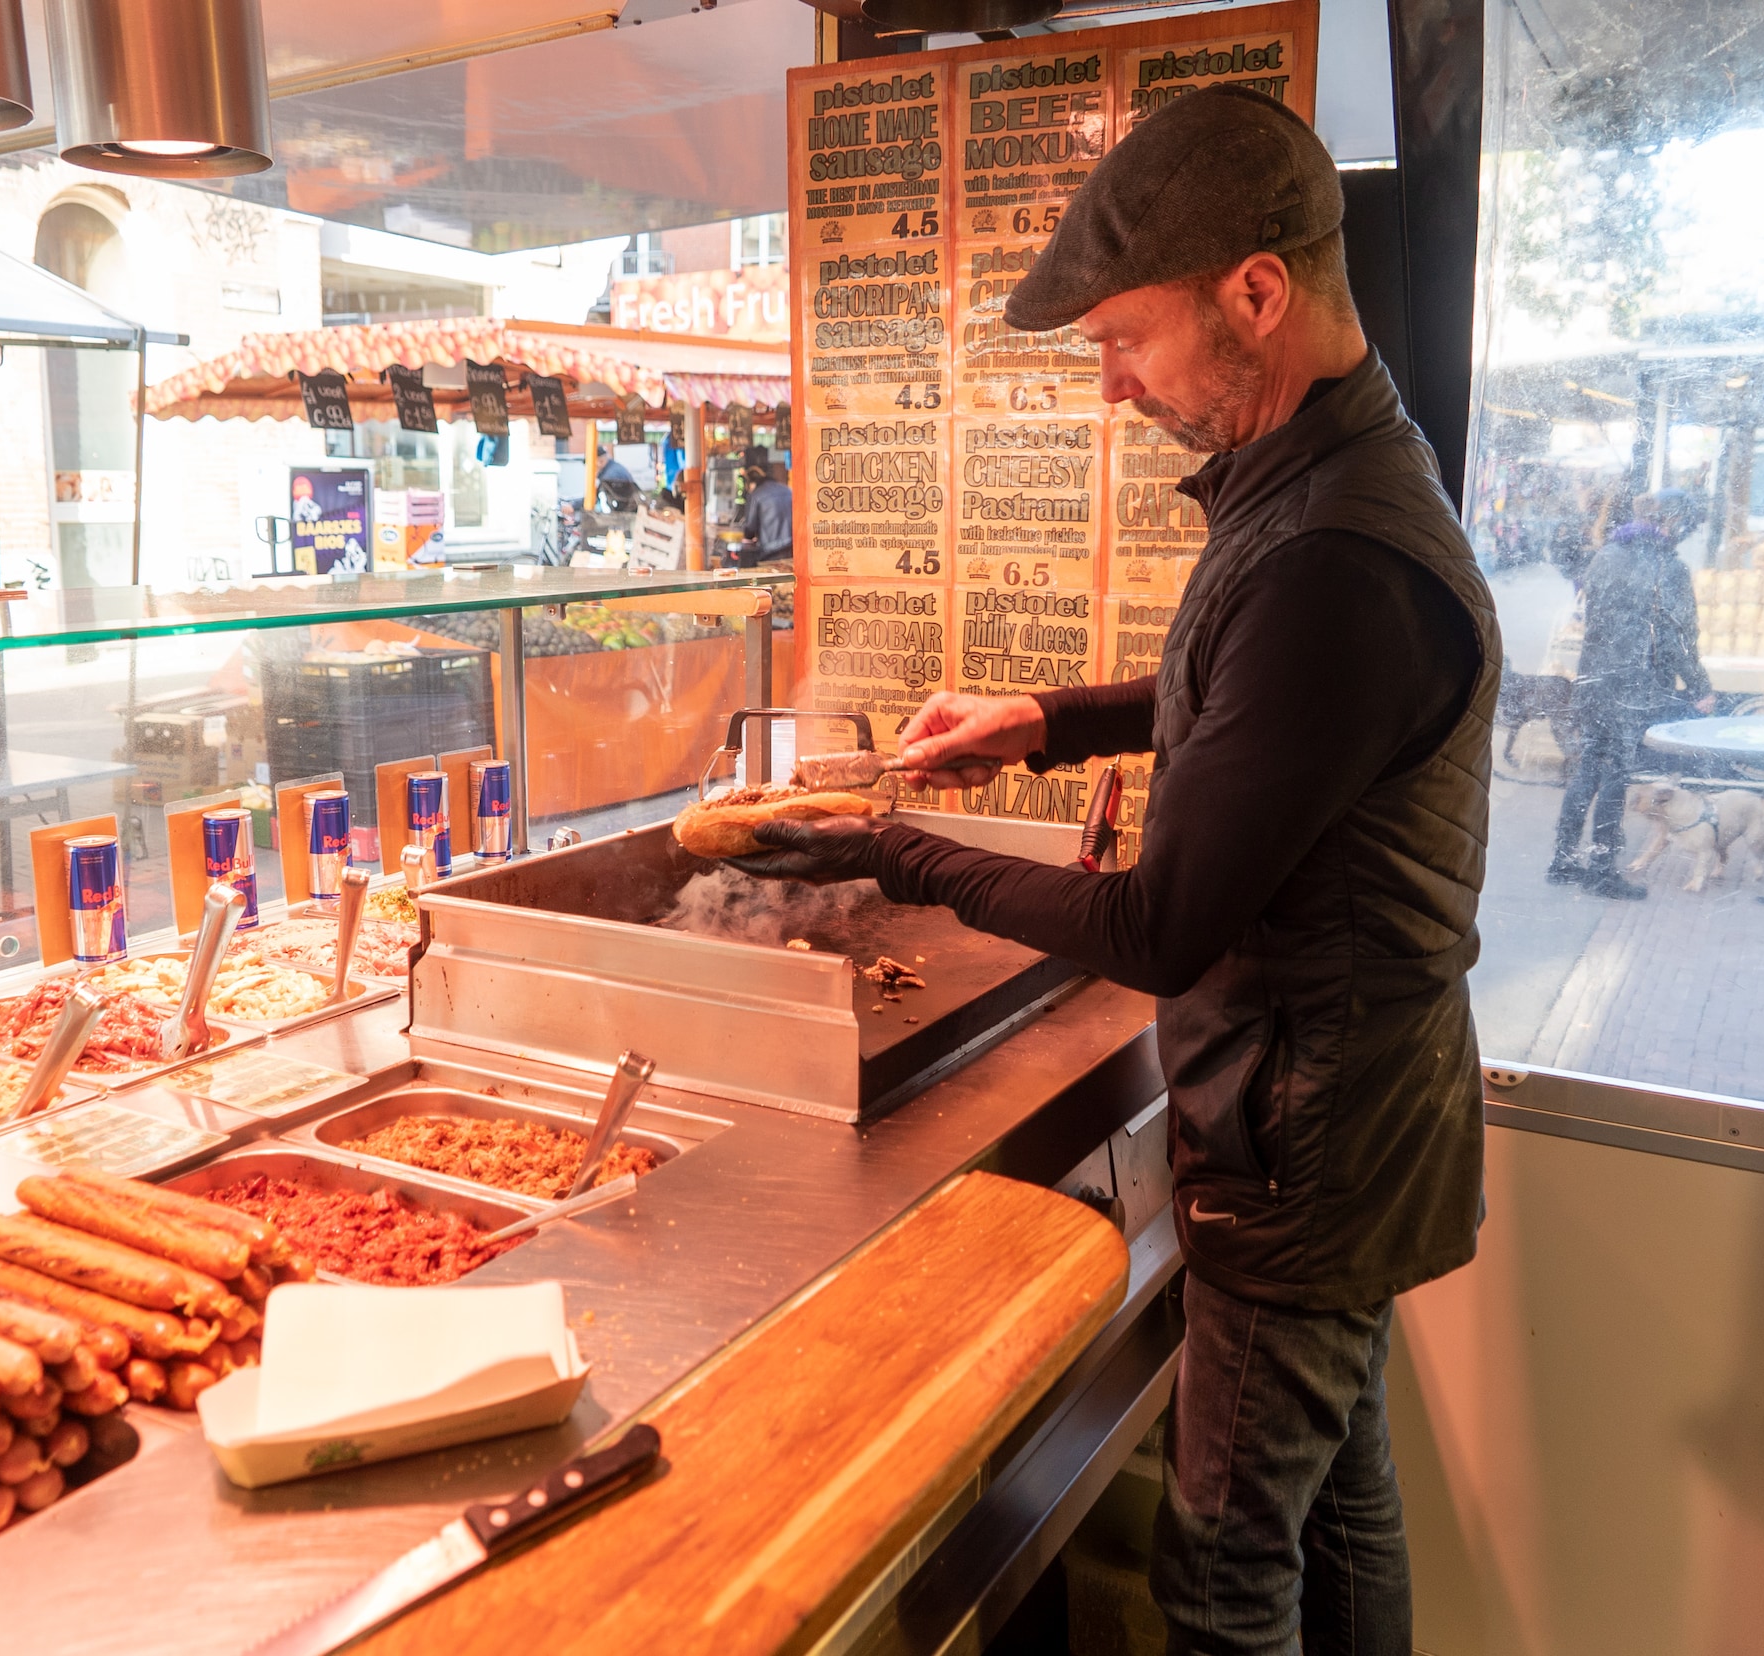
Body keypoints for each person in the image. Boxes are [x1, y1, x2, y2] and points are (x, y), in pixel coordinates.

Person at [731, 85, 1495, 1656]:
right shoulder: (1329, 478)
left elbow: (1158, 924)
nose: (1114, 384)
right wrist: (1044, 720)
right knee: (1338, 1509)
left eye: (1127, 338)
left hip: (1305, 1145)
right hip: (1353, 1123)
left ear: (1256, 295)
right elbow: (1263, 707)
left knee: (1225, 1574)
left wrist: (900, 854)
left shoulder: (1336, 553)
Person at [1549, 488, 1713, 899]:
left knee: (1589, 768)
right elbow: (1678, 636)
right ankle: (1603, 869)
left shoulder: (1607, 555)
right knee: (1616, 776)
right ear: (1673, 523)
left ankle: (1564, 860)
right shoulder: (1666, 566)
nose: (1685, 536)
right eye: (1686, 528)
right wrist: (1699, 687)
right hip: (1630, 686)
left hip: (1593, 679)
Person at [733, 461, 791, 569]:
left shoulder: (757, 495)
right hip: (792, 548)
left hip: (771, 551)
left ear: (750, 484)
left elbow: (750, 527)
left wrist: (747, 537)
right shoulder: (786, 490)